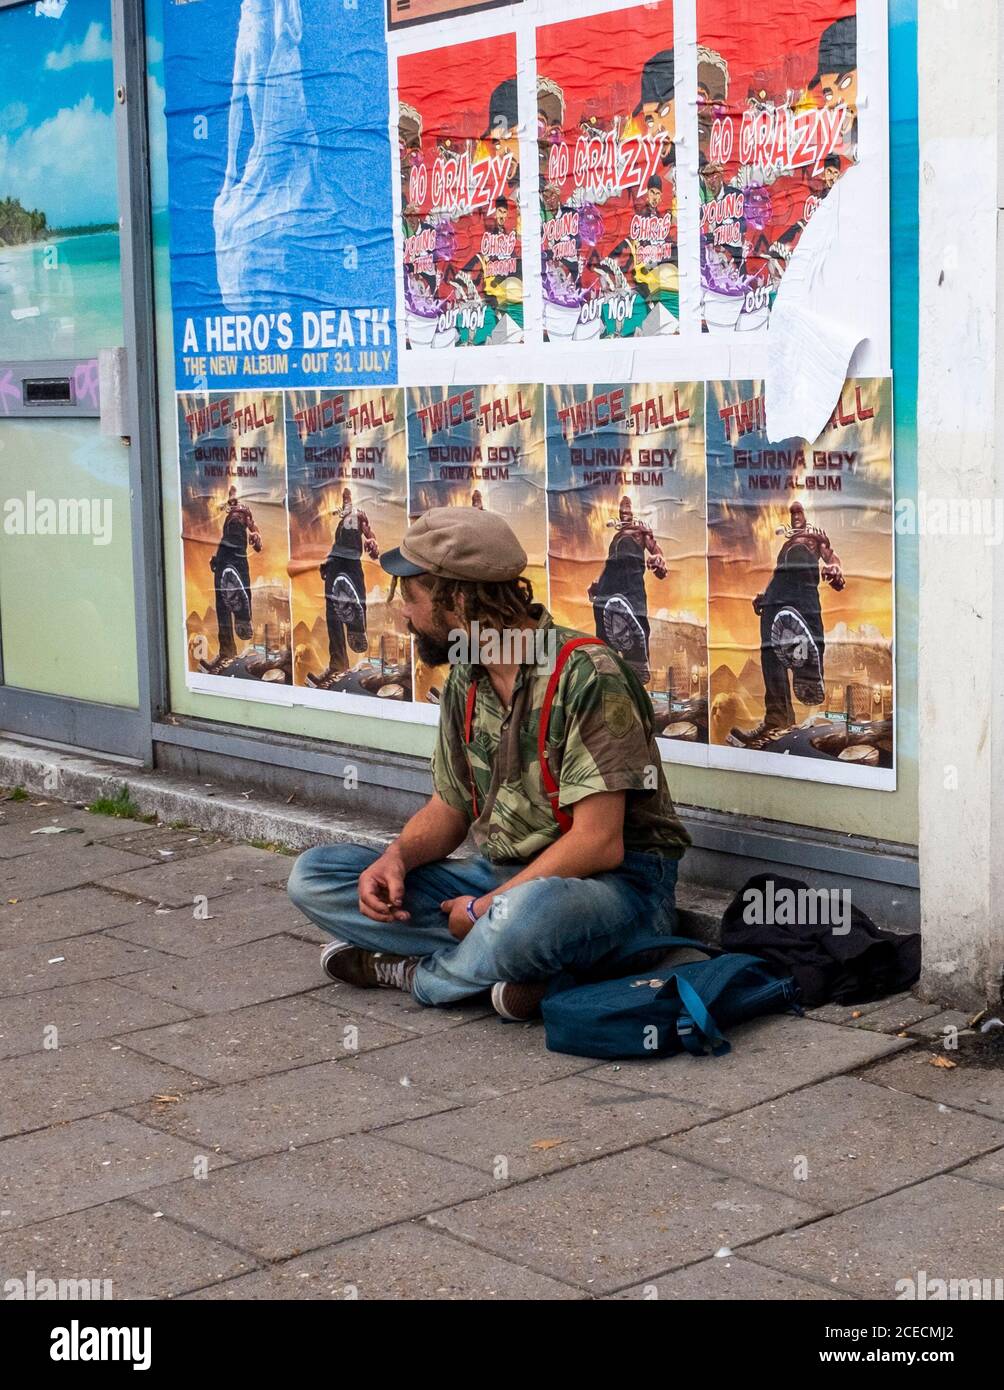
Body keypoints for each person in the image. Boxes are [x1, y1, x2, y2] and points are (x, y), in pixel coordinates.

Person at [287, 506, 691, 1021]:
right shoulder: (466, 674)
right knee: (316, 876)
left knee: (529, 918)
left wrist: (485, 909)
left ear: (456, 598)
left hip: (613, 889)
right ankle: (507, 968)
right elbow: (450, 806)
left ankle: (418, 974)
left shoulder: (588, 672)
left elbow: (599, 842)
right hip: (499, 879)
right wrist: (396, 860)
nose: (403, 615)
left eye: (410, 597)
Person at [731, 500, 845, 744]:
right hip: (775, 599)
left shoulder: (814, 538)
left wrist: (835, 571)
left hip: (801, 594)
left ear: (806, 515)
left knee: (807, 628)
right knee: (769, 654)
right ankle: (777, 719)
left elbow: (832, 558)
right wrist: (765, 594)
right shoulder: (785, 547)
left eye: (799, 511)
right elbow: (778, 576)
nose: (795, 516)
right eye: (792, 512)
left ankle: (811, 671)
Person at [587, 495, 667, 684]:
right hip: (610, 574)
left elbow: (655, 549)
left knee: (634, 608)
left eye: (627, 508)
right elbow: (608, 561)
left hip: (631, 570)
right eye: (621, 510)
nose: (624, 512)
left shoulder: (640, 529)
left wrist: (659, 559)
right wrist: (597, 581)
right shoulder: (615, 537)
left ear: (632, 512)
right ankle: (607, 654)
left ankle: (637, 657)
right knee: (600, 606)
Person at [308, 487, 378, 686]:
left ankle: (356, 626)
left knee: (355, 597)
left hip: (351, 560)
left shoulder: (358, 515)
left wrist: (373, 545)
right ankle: (337, 665)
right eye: (344, 498)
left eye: (348, 497)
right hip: (334, 561)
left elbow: (369, 535)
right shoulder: (339, 523)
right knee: (332, 612)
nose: (346, 500)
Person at [201, 486, 262, 672]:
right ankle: (227, 652)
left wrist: (256, 535)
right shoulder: (229, 517)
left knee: (237, 577)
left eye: (233, 497)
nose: (231, 501)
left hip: (234, 550)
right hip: (224, 553)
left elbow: (253, 527)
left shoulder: (241, 512)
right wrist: (216, 557)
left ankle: (243, 615)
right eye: (230, 498)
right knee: (221, 600)